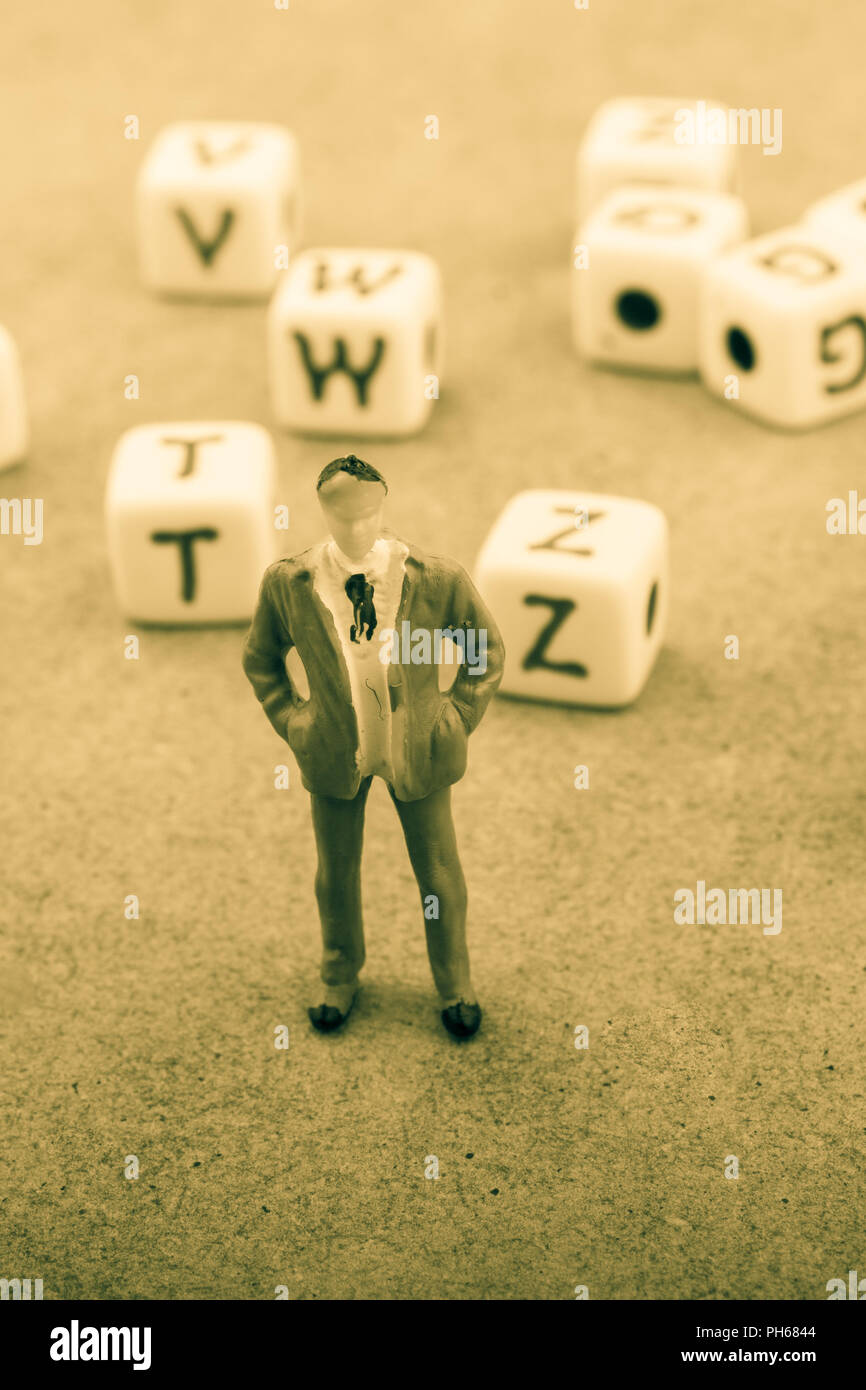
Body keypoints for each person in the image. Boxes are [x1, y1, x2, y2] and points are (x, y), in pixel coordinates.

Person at [242, 454, 504, 1038]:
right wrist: (294, 722)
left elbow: (484, 653)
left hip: (419, 748)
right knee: (335, 872)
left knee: (438, 872)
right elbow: (261, 660)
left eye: (367, 516)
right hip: (336, 750)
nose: (356, 530)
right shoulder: (289, 584)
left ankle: (455, 983)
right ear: (324, 514)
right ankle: (339, 974)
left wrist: (455, 718)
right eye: (343, 517)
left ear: (382, 509)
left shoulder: (437, 580)